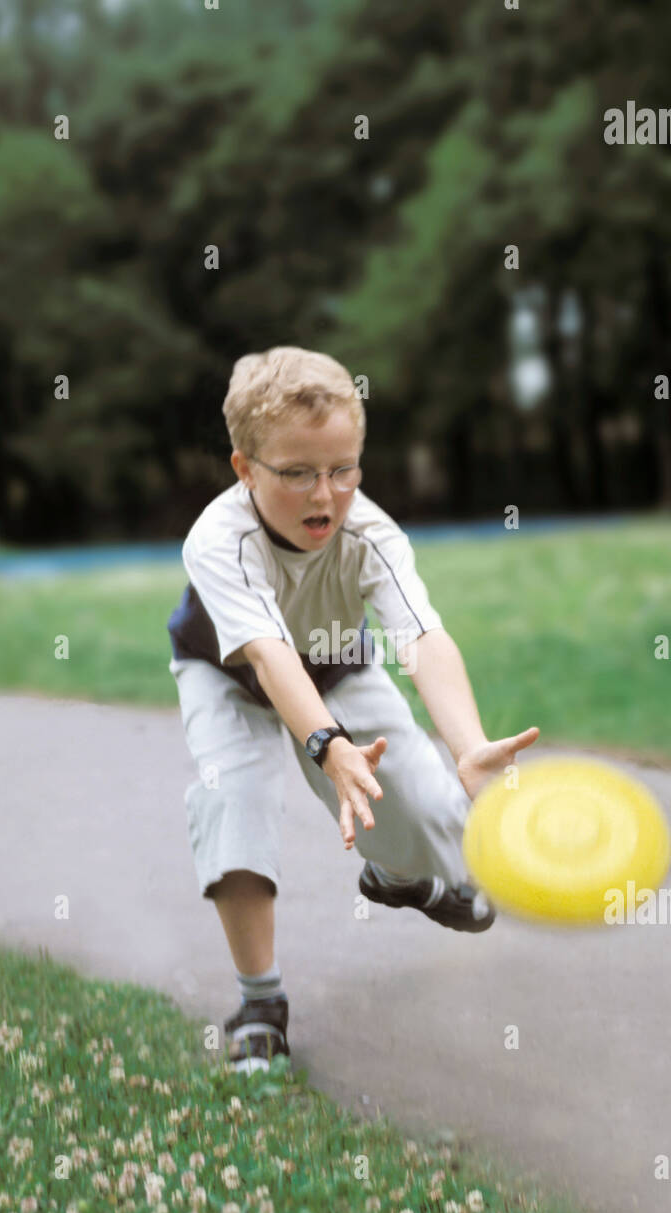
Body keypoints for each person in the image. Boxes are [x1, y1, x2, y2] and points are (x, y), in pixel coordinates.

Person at [167, 346, 539, 1073]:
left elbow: (421, 638)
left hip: (338, 664)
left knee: (440, 824)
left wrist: (465, 748)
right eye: (297, 472)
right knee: (232, 800)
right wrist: (327, 746)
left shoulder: (369, 532)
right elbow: (270, 656)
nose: (324, 495)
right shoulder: (218, 539)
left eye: (342, 469)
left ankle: (396, 877)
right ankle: (260, 1004)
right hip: (226, 674)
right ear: (245, 468)